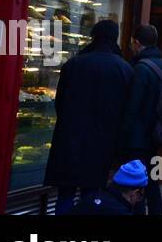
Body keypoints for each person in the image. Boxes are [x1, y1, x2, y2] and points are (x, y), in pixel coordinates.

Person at [43, 20, 134, 215]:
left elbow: (60, 102)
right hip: (103, 143)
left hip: (69, 139)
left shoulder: (74, 64)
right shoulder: (124, 69)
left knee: (65, 194)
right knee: (93, 196)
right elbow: (127, 112)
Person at [118, 23, 162, 215]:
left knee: (136, 184)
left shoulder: (141, 68)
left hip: (138, 137)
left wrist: (122, 134)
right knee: (152, 182)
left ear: (137, 43)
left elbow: (133, 105)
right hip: (156, 135)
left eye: (132, 43)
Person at [65, 160, 149, 216]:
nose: (138, 200)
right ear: (134, 193)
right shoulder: (120, 212)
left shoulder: (90, 198)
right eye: (140, 196)